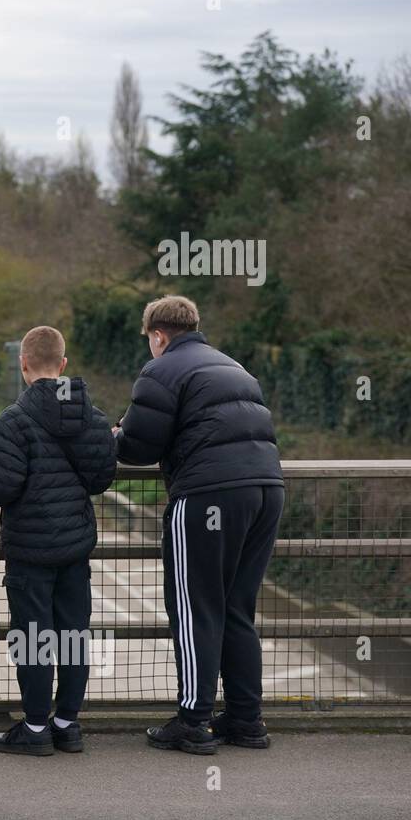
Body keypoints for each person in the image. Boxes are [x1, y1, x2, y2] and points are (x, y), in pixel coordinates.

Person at [115, 295, 284, 754]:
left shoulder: (163, 370)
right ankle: (247, 721)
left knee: (194, 608)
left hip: (210, 495)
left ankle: (193, 720)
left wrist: (113, 436)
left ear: (158, 335)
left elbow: (138, 446)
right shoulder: (235, 367)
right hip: (267, 489)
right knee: (236, 608)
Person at [0, 326, 117, 756]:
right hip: (75, 547)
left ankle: (35, 728)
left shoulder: (12, 421)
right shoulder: (92, 419)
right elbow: (101, 479)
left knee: (33, 638)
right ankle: (67, 724)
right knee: (73, 634)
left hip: (30, 551)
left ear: (23, 365)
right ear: (64, 364)